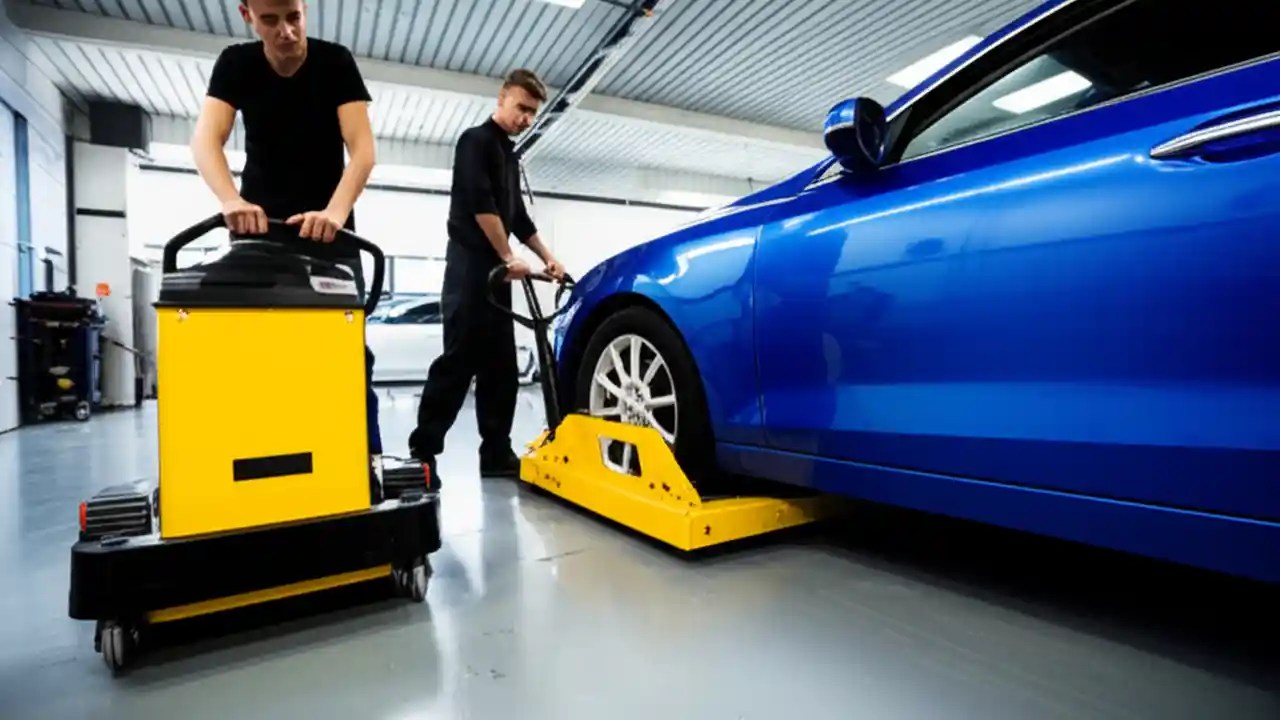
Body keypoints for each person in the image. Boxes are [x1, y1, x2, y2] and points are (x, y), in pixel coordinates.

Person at [189, 0, 384, 467]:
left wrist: (334, 213)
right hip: (259, 234)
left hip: (331, 239)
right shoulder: (236, 63)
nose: (286, 32)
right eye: (270, 20)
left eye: (294, 17)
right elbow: (204, 139)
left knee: (347, 360)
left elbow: (362, 151)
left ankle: (364, 464)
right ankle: (267, 465)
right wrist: (231, 200)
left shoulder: (335, 62)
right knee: (261, 359)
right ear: (247, 15)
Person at [407, 69, 565, 484]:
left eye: (533, 113)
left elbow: (517, 215)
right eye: (521, 108)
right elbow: (481, 206)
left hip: (499, 273)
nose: (525, 119)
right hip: (469, 267)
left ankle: (495, 451)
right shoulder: (475, 141)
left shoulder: (510, 156)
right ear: (502, 99)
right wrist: (507, 255)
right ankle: (423, 452)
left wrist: (548, 257)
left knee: (501, 367)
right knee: (458, 362)